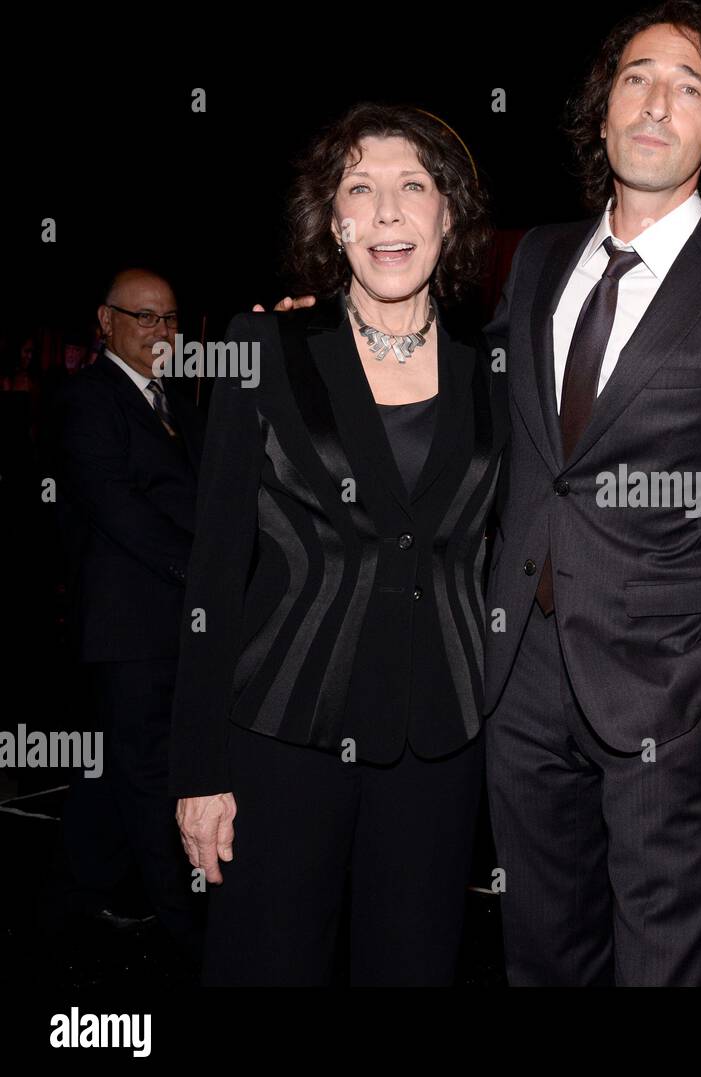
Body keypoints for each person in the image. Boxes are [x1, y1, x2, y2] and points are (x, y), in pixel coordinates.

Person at [482, 1, 701, 985]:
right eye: (636, 76)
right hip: (520, 676)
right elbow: (489, 432)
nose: (656, 101)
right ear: (601, 112)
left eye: (689, 85)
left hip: (670, 690)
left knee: (662, 967)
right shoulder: (536, 259)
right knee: (541, 955)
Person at [168, 103, 507, 985]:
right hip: (280, 736)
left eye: (412, 187)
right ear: (334, 221)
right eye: (361, 188)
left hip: (438, 746)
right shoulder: (263, 347)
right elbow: (211, 572)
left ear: (449, 213)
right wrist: (198, 769)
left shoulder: (498, 365)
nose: (388, 212)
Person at [56, 269, 205, 963]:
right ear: (105, 320)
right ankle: (182, 923)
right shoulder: (90, 398)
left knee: (117, 766)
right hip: (129, 627)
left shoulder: (173, 398)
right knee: (148, 771)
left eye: (170, 319)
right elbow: (119, 509)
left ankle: (91, 890)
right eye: (144, 318)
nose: (161, 332)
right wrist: (199, 570)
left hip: (168, 621)